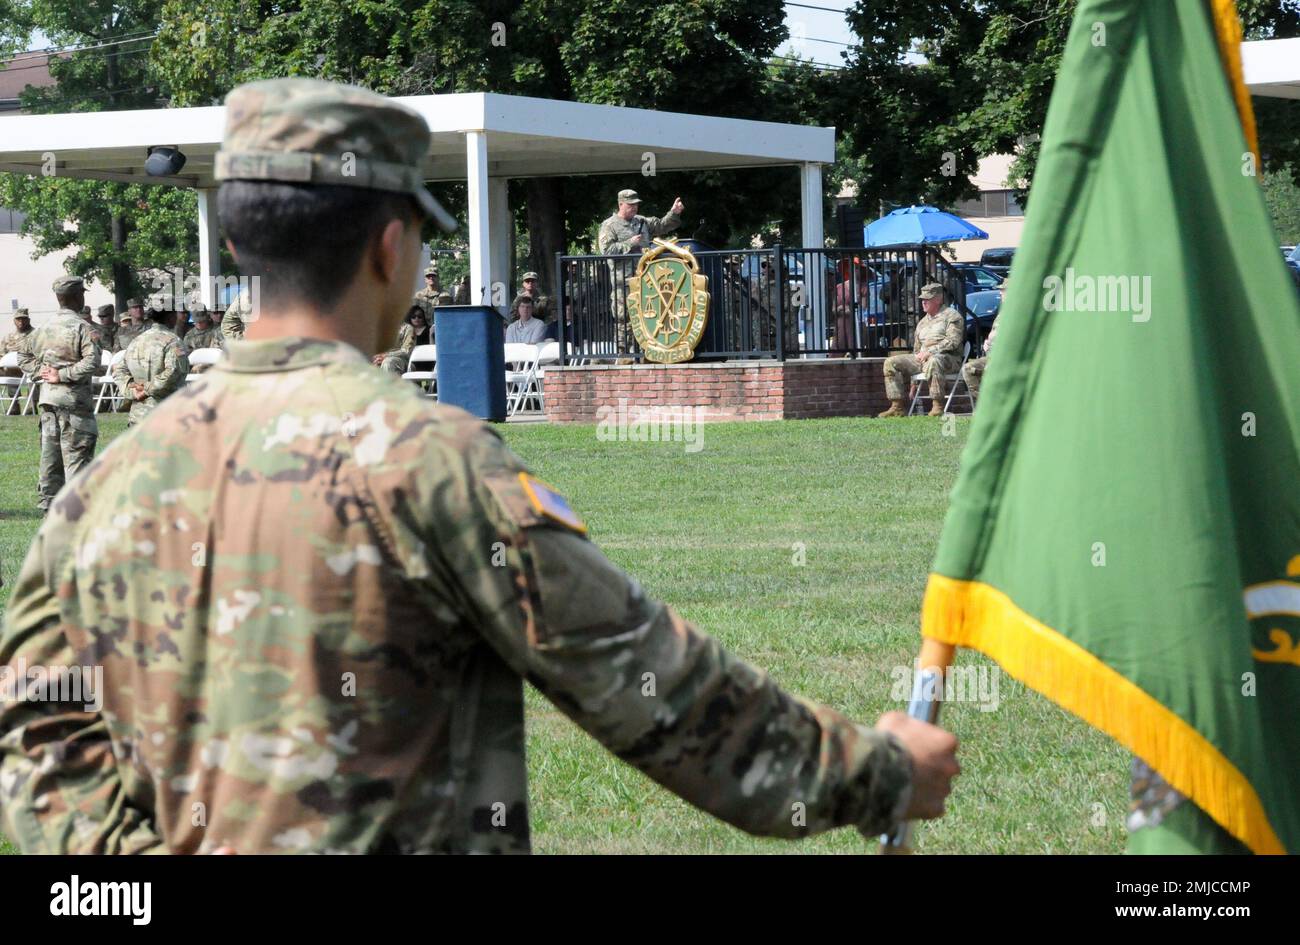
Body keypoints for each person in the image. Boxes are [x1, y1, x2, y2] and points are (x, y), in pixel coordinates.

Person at [0, 77, 958, 855]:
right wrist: (876, 771)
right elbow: (656, 690)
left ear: (242, 241)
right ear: (391, 246)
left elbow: (36, 737)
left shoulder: (106, 485)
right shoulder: (433, 465)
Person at [15, 276, 99, 512]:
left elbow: (22, 356)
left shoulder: (43, 328)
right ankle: (75, 510)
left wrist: (40, 373)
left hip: (48, 403)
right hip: (74, 404)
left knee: (50, 456)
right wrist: (61, 375)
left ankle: (48, 506)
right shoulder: (83, 327)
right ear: (76, 297)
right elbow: (93, 361)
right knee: (77, 457)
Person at [597, 189, 684, 354]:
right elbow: (607, 251)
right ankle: (624, 354)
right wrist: (629, 243)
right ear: (620, 204)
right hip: (623, 281)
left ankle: (645, 351)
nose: (634, 208)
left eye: (636, 205)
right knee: (624, 318)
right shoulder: (609, 225)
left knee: (648, 315)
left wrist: (674, 213)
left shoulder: (641, 221)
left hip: (646, 279)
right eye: (630, 205)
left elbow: (662, 225)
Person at [878, 283, 965, 418]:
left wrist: (931, 351)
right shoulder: (922, 322)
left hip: (948, 358)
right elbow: (917, 350)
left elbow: (953, 341)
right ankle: (897, 407)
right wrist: (914, 384)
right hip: (924, 359)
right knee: (890, 363)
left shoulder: (952, 316)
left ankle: (938, 406)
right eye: (922, 299)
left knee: (934, 360)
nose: (923, 302)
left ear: (938, 299)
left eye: (927, 299)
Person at [110, 302, 189, 427]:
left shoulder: (136, 341)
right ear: (171, 317)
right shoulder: (173, 341)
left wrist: (132, 391)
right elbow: (174, 372)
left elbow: (119, 370)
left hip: (139, 416)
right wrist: (147, 389)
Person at [962, 279, 1005, 404]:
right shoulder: (1002, 312)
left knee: (989, 369)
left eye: (1004, 291)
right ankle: (983, 403)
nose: (1001, 294)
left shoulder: (1018, 313)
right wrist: (988, 341)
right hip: (991, 355)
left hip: (1006, 356)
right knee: (968, 368)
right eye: (1001, 291)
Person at [374, 304, 431, 375]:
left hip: (402, 360)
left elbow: (406, 351)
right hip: (383, 359)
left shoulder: (407, 328)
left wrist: (385, 356)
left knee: (388, 362)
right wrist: (377, 357)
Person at [1, 308, 34, 377]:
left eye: (23, 319)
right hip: (11, 372)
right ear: (14, 321)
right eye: (18, 319)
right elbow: (1, 354)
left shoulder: (36, 334)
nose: (21, 322)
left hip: (31, 371)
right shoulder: (8, 337)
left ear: (28, 320)